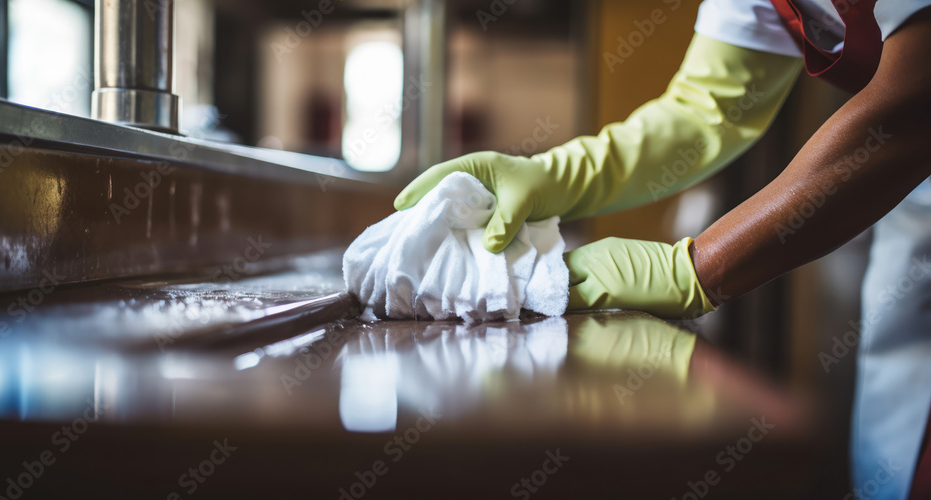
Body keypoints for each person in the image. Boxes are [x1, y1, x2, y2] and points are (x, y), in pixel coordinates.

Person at [393, 1, 931, 498]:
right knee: (897, 442)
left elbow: (914, 102)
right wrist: (553, 174)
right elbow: (707, 110)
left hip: (908, 167)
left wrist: (694, 268)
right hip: (915, 207)